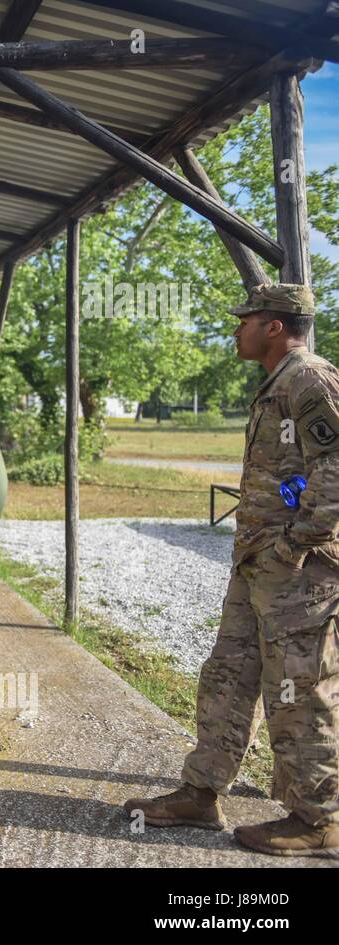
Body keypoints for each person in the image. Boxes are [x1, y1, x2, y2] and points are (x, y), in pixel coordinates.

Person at [124, 282, 339, 858]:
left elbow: (337, 472)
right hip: (257, 565)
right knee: (226, 676)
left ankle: (319, 819)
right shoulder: (276, 385)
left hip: (297, 571)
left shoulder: (310, 379)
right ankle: (201, 793)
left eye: (245, 319)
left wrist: (294, 545)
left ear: (274, 325)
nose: (236, 328)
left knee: (298, 691)